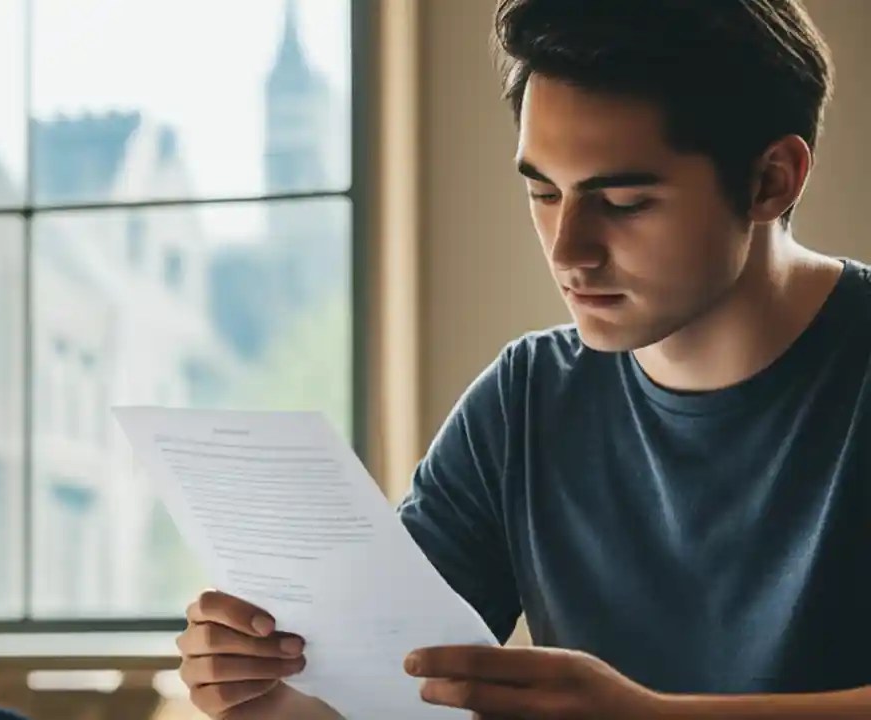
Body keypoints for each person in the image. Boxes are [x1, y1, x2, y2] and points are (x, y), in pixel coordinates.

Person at [174, 0, 871, 717]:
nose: (567, 250)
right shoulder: (523, 400)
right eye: (542, 192)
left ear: (771, 181)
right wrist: (261, 689)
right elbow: (380, 692)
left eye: (625, 202)